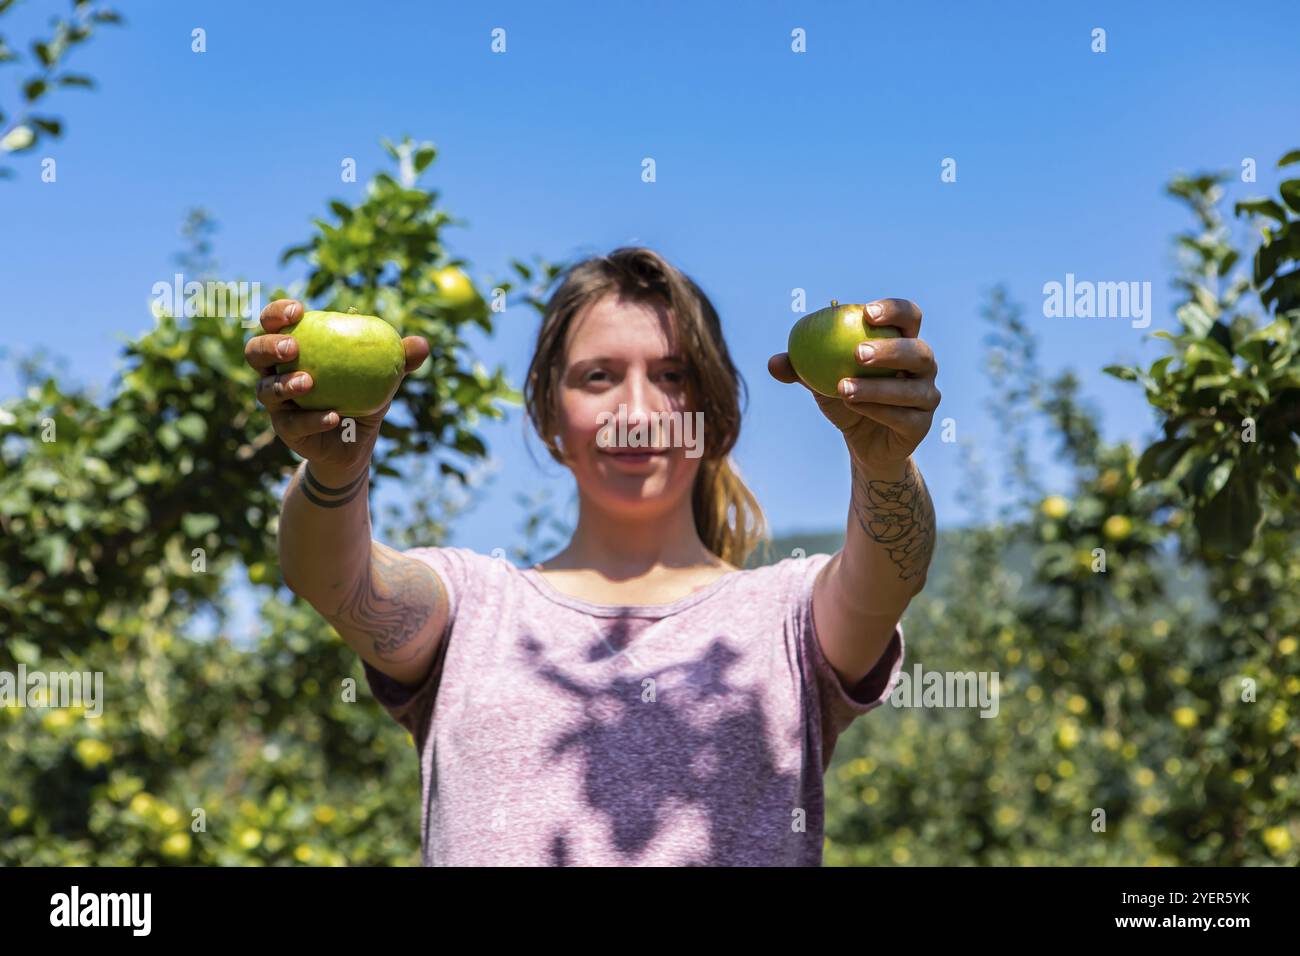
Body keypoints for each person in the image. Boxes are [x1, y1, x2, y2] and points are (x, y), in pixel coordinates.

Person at [244, 246, 940, 865]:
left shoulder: (787, 615)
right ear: (549, 414)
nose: (635, 412)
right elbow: (331, 578)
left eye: (671, 376)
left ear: (716, 411)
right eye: (598, 377)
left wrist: (882, 463)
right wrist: (336, 472)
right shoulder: (474, 605)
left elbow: (891, 575)